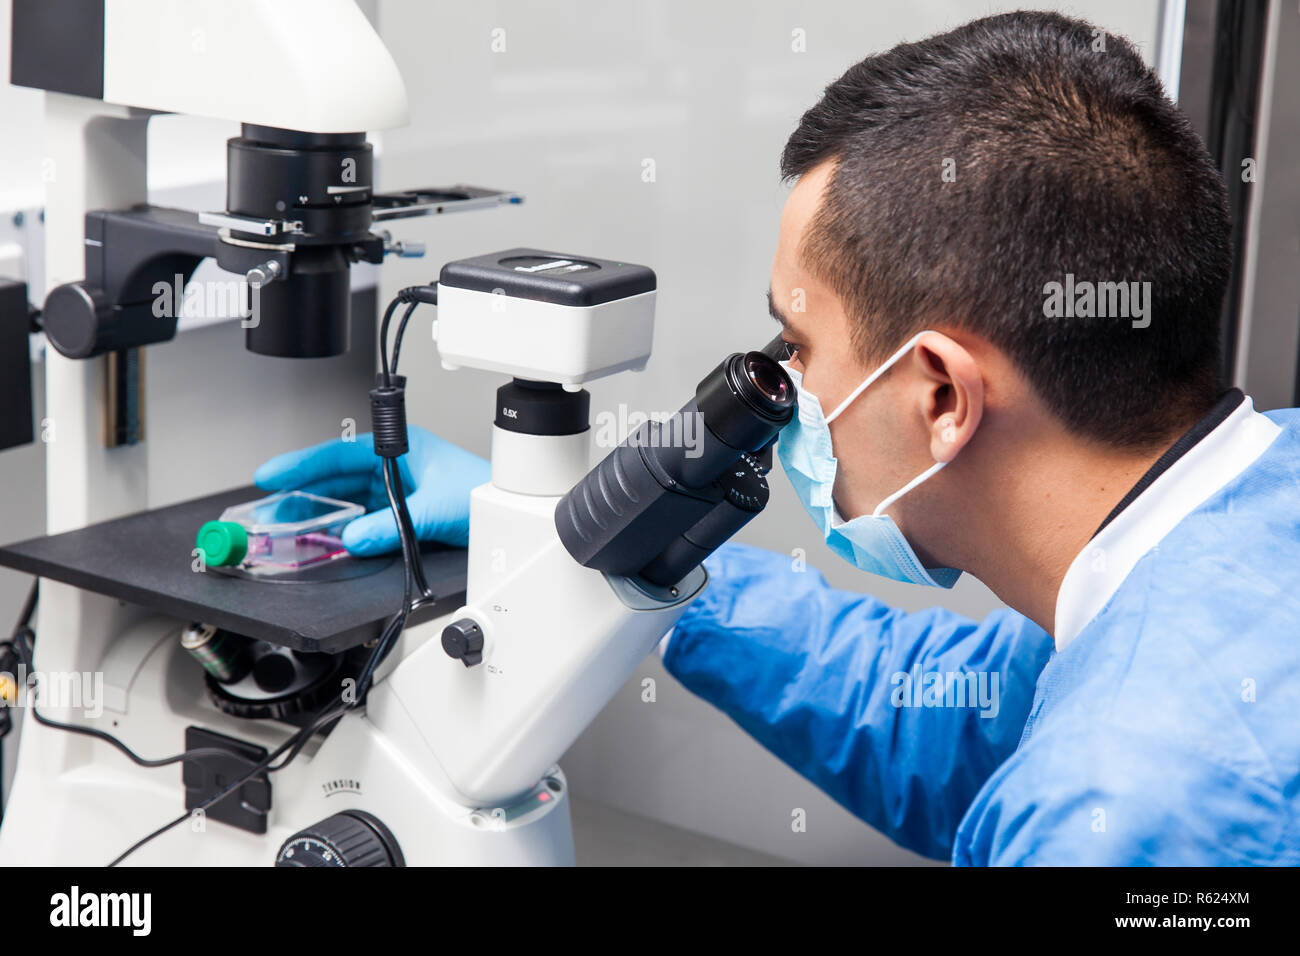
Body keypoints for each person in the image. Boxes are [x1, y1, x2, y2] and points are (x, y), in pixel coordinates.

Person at [255, 12, 1300, 865]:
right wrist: (608, 562)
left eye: (794, 343)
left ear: (938, 393)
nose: (782, 384)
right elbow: (951, 718)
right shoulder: (1236, 521)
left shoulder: (1124, 810)